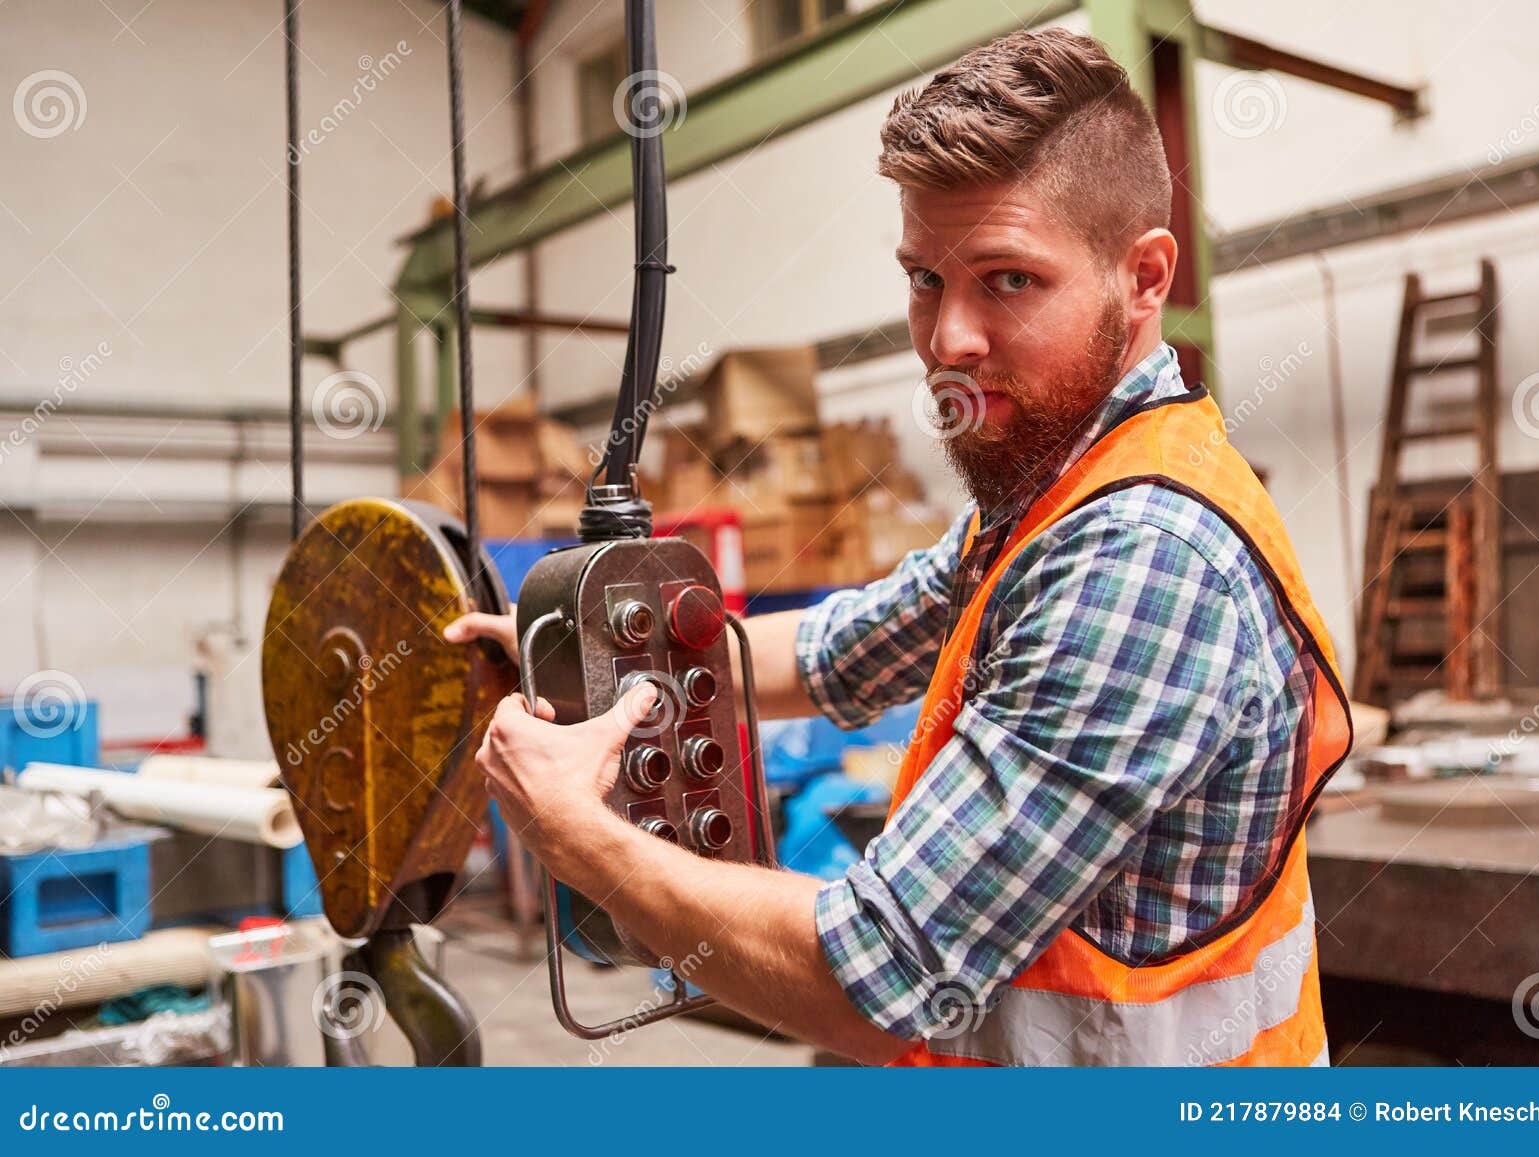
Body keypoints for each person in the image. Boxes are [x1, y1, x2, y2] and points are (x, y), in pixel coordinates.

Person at [445, 27, 1351, 1067]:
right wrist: (578, 644)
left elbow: (872, 979)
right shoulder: (1052, 495)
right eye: (925, 277)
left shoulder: (1138, 557)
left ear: (1144, 277)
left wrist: (581, 837)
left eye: (1007, 280)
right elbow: (840, 649)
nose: (947, 338)